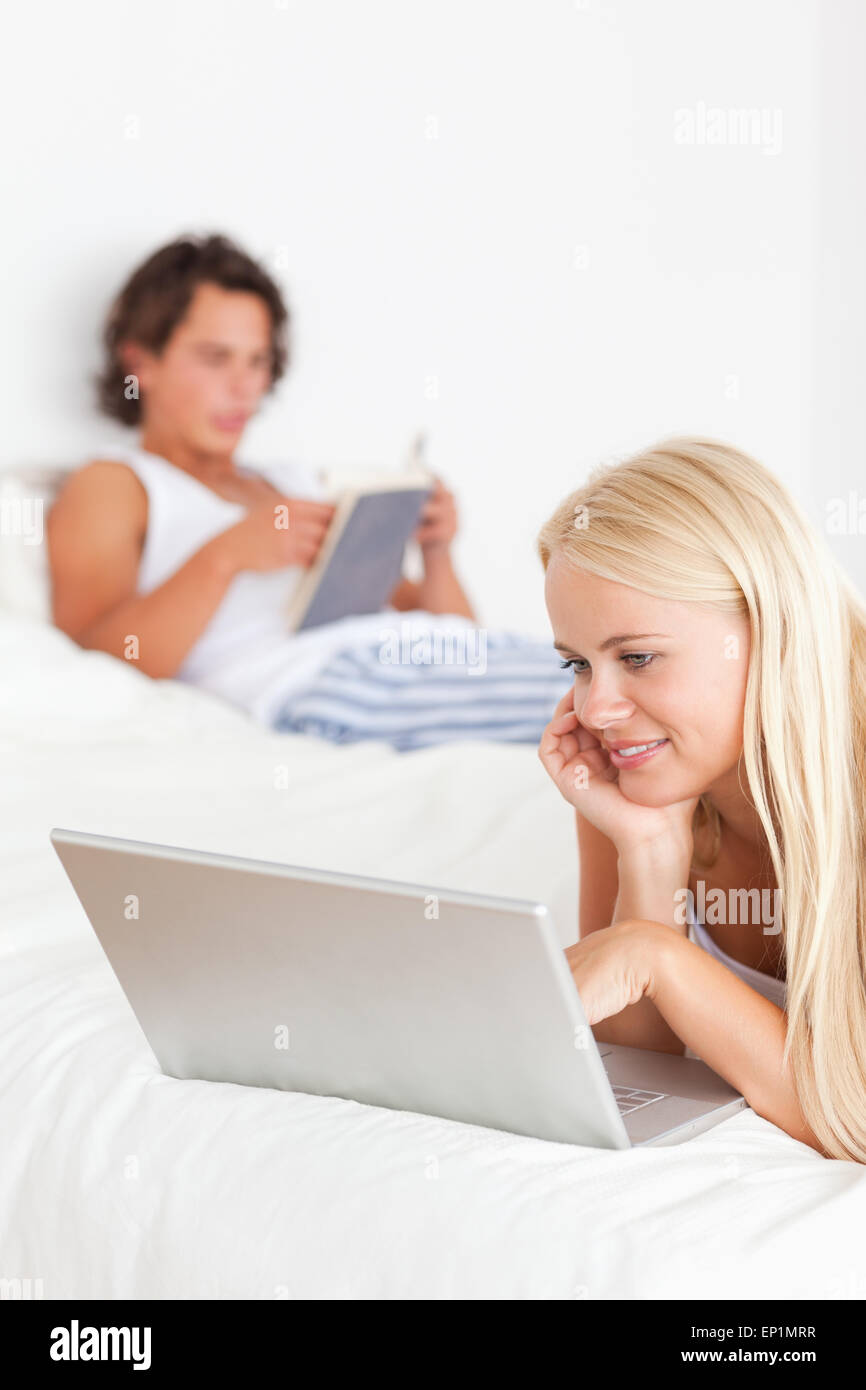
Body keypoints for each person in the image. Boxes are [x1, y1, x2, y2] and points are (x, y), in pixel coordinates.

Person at [47, 234, 572, 748]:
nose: (244, 386)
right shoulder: (118, 483)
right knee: (607, 704)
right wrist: (225, 557)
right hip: (326, 686)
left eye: (257, 361)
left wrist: (435, 552)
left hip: (418, 660)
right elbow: (97, 662)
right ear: (141, 363)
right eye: (215, 358)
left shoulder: (298, 483)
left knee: (604, 673)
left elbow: (458, 638)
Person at [536, 436, 866, 1161]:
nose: (595, 710)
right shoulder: (630, 780)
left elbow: (855, 1113)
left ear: (769, 628)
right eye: (577, 664)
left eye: (637, 658)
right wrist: (650, 852)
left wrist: (660, 956)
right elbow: (645, 1067)